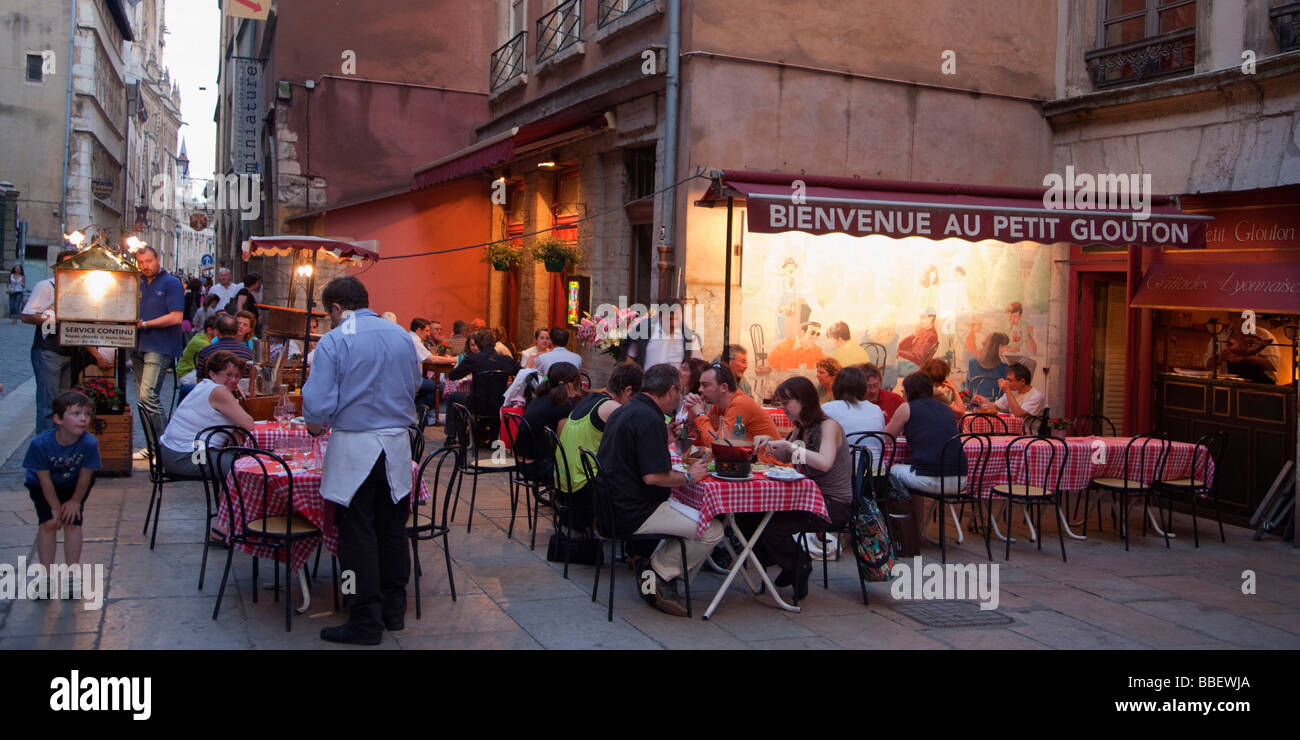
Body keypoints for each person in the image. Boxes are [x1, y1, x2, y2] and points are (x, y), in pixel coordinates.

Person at [303, 276, 419, 645]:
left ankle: (364, 618)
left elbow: (317, 403)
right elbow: (414, 383)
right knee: (392, 529)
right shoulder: (401, 334)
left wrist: (316, 425)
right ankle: (393, 611)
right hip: (396, 445)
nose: (330, 320)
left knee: (357, 536)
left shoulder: (335, 340)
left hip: (355, 446)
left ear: (337, 308)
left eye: (329, 314)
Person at [597, 363, 717, 617]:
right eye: (680, 391)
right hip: (634, 511)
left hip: (610, 505)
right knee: (713, 529)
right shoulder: (648, 417)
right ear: (672, 389)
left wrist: (664, 439)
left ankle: (654, 570)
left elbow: (633, 451)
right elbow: (653, 477)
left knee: (692, 512)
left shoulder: (627, 409)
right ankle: (657, 572)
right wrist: (688, 476)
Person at [748, 376, 852, 600]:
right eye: (780, 404)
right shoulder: (801, 428)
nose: (783, 408)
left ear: (804, 401)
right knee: (750, 518)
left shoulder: (829, 426)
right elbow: (789, 455)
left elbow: (824, 462)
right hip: (806, 498)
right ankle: (790, 564)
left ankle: (798, 565)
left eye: (786, 403)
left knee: (771, 528)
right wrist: (770, 442)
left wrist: (788, 446)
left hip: (832, 504)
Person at [24, 390, 99, 594]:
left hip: (74, 485)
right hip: (41, 485)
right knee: (49, 523)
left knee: (72, 523)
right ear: (57, 419)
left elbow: (86, 475)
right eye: (75, 413)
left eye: (86, 414)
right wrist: (55, 508)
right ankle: (46, 577)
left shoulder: (90, 443)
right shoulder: (40, 444)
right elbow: (43, 478)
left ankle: (71, 577)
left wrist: (75, 501)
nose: (83, 419)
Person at [556, 363, 643, 532]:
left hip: (564, 481)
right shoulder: (613, 408)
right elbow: (634, 442)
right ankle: (630, 540)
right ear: (627, 391)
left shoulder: (590, 400)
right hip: (582, 486)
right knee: (639, 486)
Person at [885, 372, 967, 544]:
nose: (902, 394)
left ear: (909, 391)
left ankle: (900, 529)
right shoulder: (946, 410)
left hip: (929, 478)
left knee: (889, 470)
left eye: (903, 390)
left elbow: (886, 438)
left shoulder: (907, 408)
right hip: (960, 479)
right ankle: (918, 529)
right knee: (913, 473)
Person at [158, 350, 255, 482]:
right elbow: (248, 424)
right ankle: (240, 501)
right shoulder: (219, 391)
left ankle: (233, 500)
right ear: (212, 374)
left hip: (172, 452)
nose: (234, 380)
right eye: (228, 375)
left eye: (238, 376)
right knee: (251, 467)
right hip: (187, 457)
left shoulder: (204, 385)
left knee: (248, 461)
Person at [22, 249, 79, 433]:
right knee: (48, 405)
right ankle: (45, 449)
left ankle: (60, 444)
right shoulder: (46, 286)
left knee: (64, 405)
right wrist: (50, 318)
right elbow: (26, 315)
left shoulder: (82, 291)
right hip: (49, 350)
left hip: (71, 351)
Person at [134, 245, 186, 437]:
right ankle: (153, 447)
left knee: (148, 395)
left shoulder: (171, 283)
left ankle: (165, 445)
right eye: (140, 262)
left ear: (157, 260)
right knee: (142, 400)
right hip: (139, 346)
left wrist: (146, 324)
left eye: (148, 261)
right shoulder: (138, 282)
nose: (144, 266)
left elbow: (176, 317)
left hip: (160, 346)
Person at [443, 329, 519, 442]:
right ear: (494, 343)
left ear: (478, 344)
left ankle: (451, 436)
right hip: (499, 403)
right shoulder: (505, 360)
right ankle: (490, 437)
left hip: (477, 403)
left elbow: (453, 375)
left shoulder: (474, 359)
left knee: (454, 397)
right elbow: (521, 373)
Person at [514, 361, 581, 480]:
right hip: (538, 467)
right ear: (570, 385)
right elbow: (563, 443)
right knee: (587, 471)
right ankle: (564, 497)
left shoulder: (540, 398)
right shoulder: (562, 406)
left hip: (522, 462)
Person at [683, 363, 780, 445]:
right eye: (700, 385)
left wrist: (700, 414)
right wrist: (693, 417)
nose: (700, 389)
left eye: (705, 385)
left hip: (771, 465)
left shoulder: (740, 404)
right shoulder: (717, 406)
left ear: (724, 387)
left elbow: (720, 445)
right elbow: (703, 441)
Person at [623, 302, 703, 368]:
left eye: (677, 318)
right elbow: (630, 357)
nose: (673, 324)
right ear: (660, 316)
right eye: (669, 319)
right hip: (648, 385)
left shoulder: (688, 336)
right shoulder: (644, 330)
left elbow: (698, 365)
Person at [821, 366, 886, 442]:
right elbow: (882, 439)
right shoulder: (876, 409)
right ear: (864, 388)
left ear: (836, 387)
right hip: (874, 453)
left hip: (844, 453)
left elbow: (814, 437)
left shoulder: (828, 408)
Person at [1204, 322, 1280, 384]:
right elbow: (1207, 364)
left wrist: (1245, 358)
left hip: (1261, 387)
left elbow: (1272, 365)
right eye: (1237, 315)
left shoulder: (1263, 335)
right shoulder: (1220, 336)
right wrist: (1219, 358)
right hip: (1232, 386)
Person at [973, 362, 1044, 418]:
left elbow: (1018, 414)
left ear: (1022, 381)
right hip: (1011, 428)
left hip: (1027, 433)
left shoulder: (1036, 396)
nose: (1007, 382)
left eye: (1010, 380)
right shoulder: (1013, 391)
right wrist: (984, 401)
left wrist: (1007, 390)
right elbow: (996, 406)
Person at [195, 313, 254, 379]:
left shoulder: (206, 351)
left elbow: (200, 380)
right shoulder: (248, 353)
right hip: (241, 388)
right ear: (236, 331)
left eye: (245, 324)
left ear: (217, 332)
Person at [176, 316, 219, 400]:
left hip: (193, 371)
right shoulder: (202, 342)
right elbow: (217, 357)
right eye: (218, 330)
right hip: (187, 373)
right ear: (210, 330)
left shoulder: (204, 338)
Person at [965, 328, 1010, 399]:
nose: (1005, 349)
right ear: (999, 346)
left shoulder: (972, 363)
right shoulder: (1004, 368)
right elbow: (1004, 393)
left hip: (976, 404)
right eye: (1004, 347)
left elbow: (967, 388)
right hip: (994, 406)